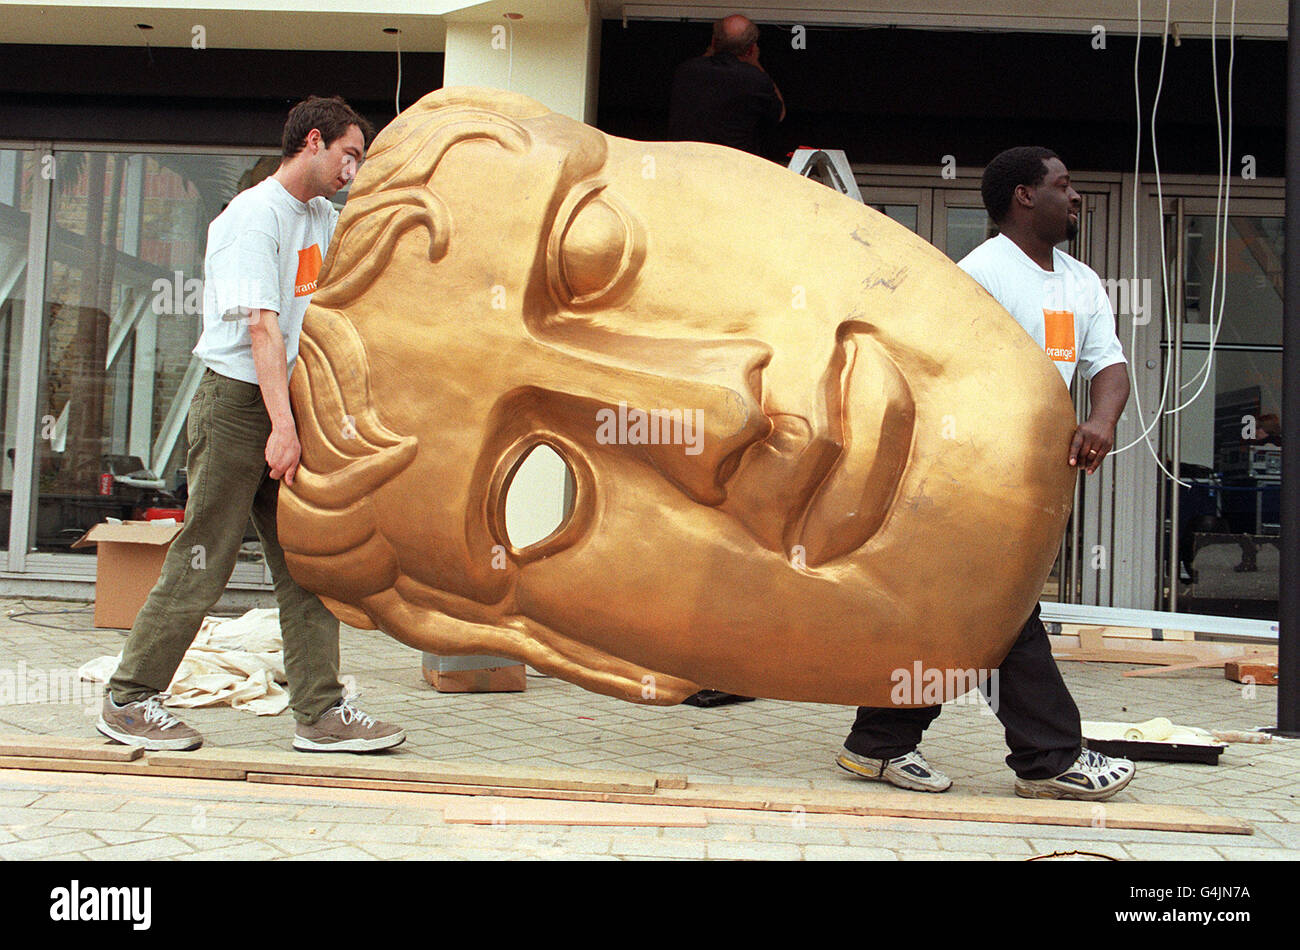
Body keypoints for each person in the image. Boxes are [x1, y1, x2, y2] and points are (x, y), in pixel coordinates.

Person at [97, 96, 406, 754]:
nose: (354, 168)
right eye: (348, 153)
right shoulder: (252, 216)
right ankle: (130, 698)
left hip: (284, 405)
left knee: (308, 562)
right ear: (313, 141)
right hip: (241, 403)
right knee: (205, 555)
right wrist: (282, 428)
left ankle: (320, 712)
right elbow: (262, 326)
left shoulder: (321, 216)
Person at [836, 146, 1137, 801]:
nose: (1076, 195)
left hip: (1034, 482)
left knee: (953, 615)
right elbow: (937, 374)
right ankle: (1050, 756)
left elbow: (1107, 366)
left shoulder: (1081, 283)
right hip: (969, 473)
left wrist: (1103, 419)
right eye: (1064, 184)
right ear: (1025, 196)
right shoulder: (980, 276)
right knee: (1001, 610)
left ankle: (877, 744)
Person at [667, 13, 785, 159]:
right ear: (750, 49)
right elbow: (779, 114)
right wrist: (755, 63)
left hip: (689, 161)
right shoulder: (755, 79)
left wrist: (710, 52)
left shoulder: (685, 71)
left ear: (713, 41)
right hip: (734, 166)